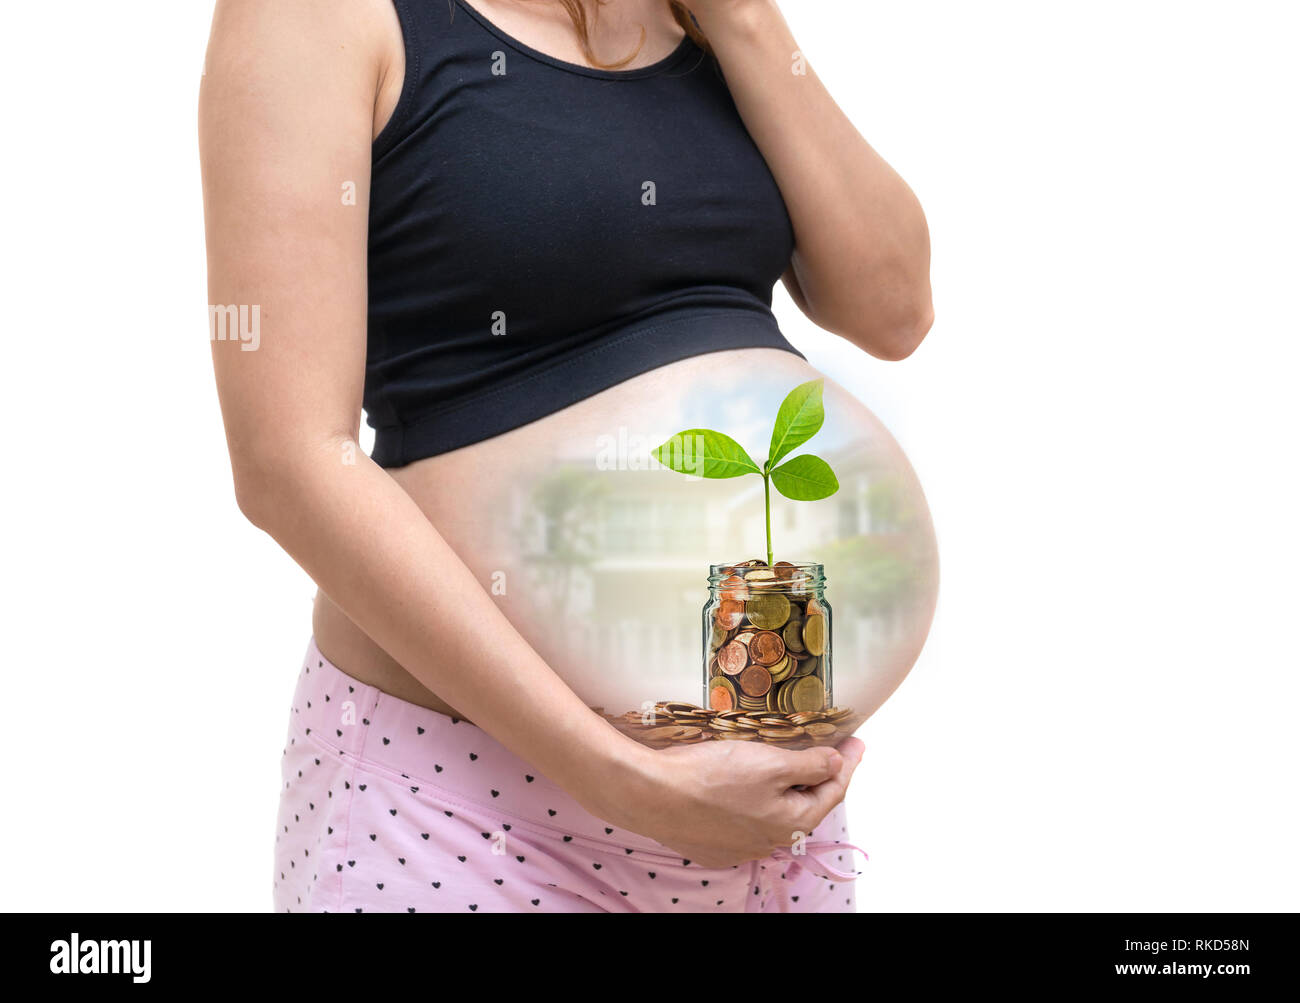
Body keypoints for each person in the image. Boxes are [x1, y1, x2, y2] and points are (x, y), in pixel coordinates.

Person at [199, 0, 935, 913]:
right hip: (465, 815)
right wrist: (619, 776)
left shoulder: (700, 19)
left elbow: (895, 310)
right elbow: (287, 461)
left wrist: (744, 20)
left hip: (762, 832)